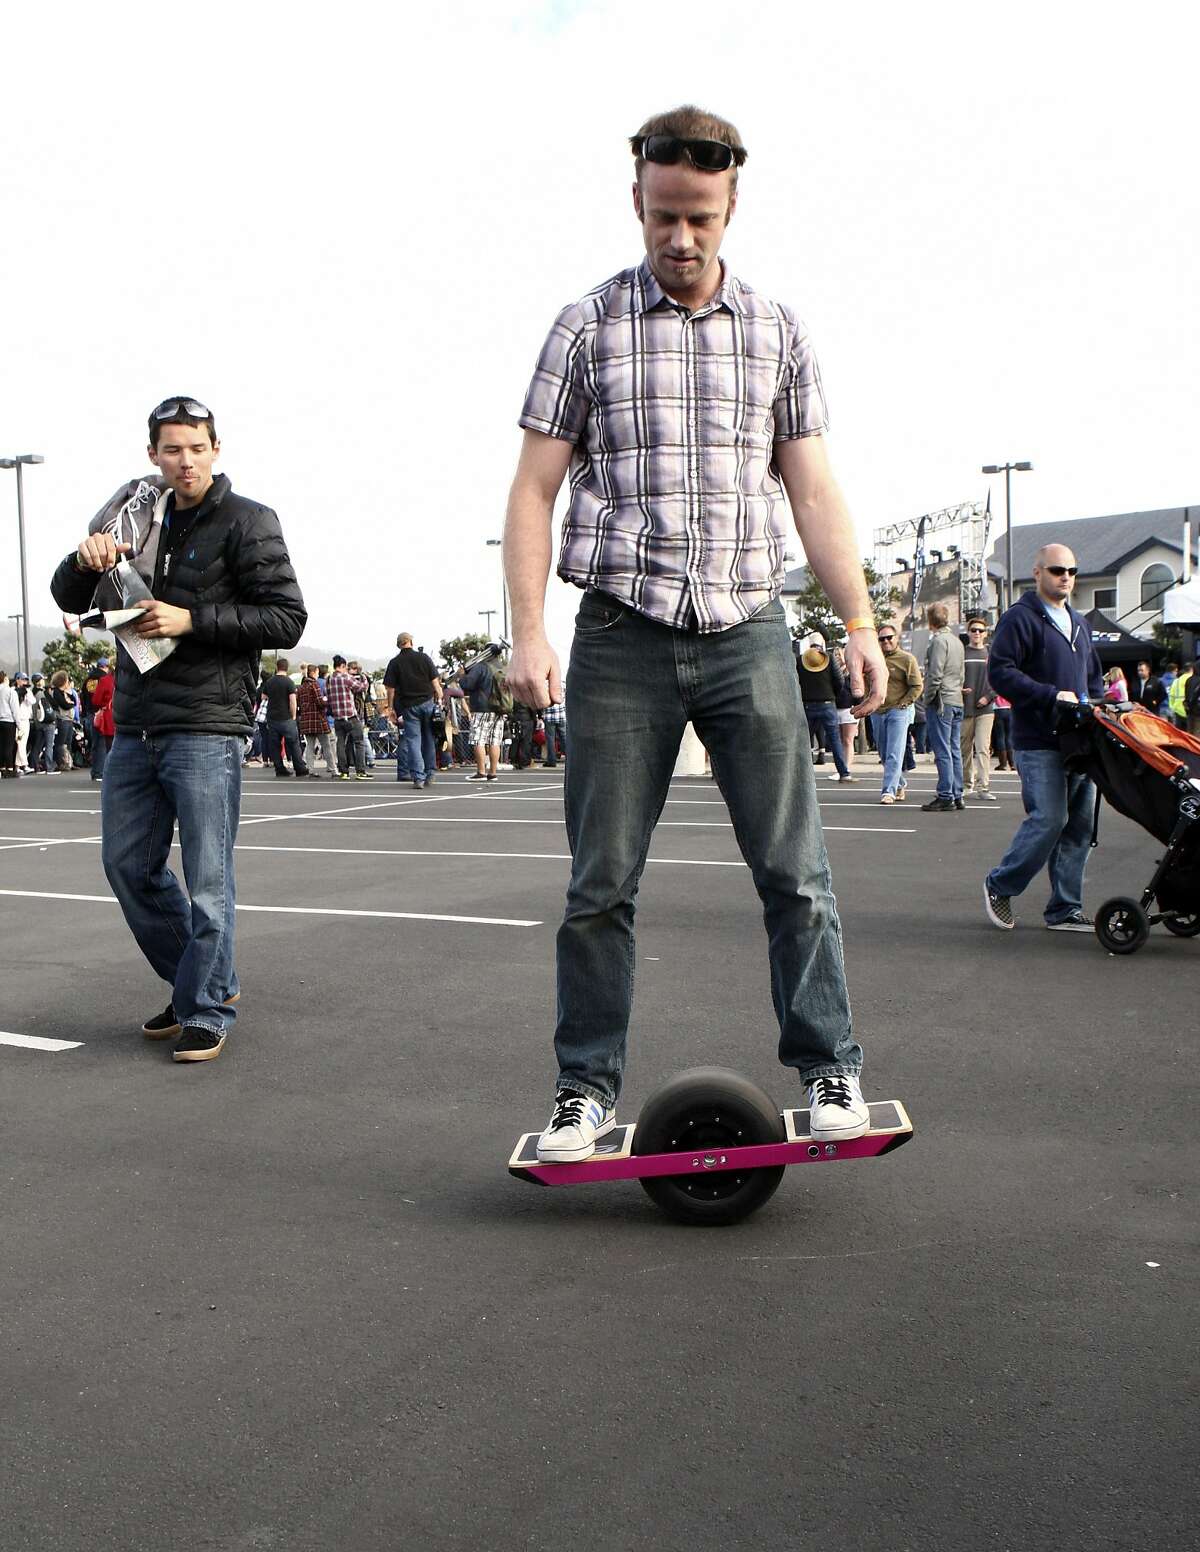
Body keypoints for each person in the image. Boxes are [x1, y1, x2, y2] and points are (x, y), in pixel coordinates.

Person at [504, 104, 887, 1162]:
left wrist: (855, 620)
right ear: (636, 199)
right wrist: (527, 628)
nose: (681, 239)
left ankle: (831, 1067)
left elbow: (811, 489)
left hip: (748, 631)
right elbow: (534, 490)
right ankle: (584, 1090)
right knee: (600, 884)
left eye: (701, 220)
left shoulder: (776, 330)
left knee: (794, 870)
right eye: (664, 216)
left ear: (731, 207)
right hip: (622, 635)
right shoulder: (586, 327)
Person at [50, 394, 306, 1061]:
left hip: (205, 724)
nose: (184, 461)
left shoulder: (248, 522)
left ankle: (206, 1007)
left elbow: (285, 619)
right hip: (134, 722)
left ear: (215, 450)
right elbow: (69, 598)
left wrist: (192, 619)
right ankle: (204, 981)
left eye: (196, 448)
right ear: (153, 455)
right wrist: (84, 561)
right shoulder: (133, 518)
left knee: (208, 876)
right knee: (128, 866)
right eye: (172, 449)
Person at [983, 543, 1103, 933]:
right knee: (1050, 819)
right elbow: (1000, 672)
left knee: (1079, 827)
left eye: (1071, 570)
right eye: (1056, 569)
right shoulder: (1020, 619)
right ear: (1037, 573)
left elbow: (1092, 679)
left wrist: (1096, 704)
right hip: (1038, 739)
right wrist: (1051, 695)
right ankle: (1000, 884)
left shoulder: (1080, 623)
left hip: (1080, 739)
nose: (1065, 576)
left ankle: (1064, 909)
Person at [920, 603, 965, 811]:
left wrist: (927, 697)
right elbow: (961, 674)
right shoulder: (957, 642)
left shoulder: (938, 641)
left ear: (931, 621)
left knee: (942, 749)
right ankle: (957, 793)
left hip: (941, 700)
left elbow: (935, 674)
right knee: (954, 748)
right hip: (956, 699)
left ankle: (946, 793)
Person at [383, 633, 442, 789]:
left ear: (399, 644)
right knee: (429, 739)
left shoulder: (395, 662)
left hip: (409, 706)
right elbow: (435, 683)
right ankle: (430, 773)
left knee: (413, 741)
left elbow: (390, 689)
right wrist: (440, 699)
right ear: (411, 642)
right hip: (428, 703)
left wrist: (391, 707)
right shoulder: (424, 658)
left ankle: (418, 777)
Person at [871, 624, 922, 803]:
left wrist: (904, 703)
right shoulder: (874, 659)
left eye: (889, 637)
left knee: (894, 752)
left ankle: (889, 791)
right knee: (884, 753)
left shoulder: (907, 659)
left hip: (898, 711)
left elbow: (917, 685)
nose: (886, 641)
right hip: (877, 711)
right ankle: (899, 783)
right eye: (882, 638)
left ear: (897, 638)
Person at [796, 629, 853, 781]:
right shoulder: (828, 659)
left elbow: (796, 682)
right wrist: (832, 694)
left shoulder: (800, 660)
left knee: (804, 742)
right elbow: (839, 680)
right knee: (835, 741)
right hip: (827, 703)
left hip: (807, 704)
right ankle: (844, 773)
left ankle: (803, 775)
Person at [960, 617, 997, 802]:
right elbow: (954, 676)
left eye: (980, 630)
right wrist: (959, 689)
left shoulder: (991, 654)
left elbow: (1000, 679)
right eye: (974, 630)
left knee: (982, 748)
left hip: (986, 709)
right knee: (964, 749)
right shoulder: (962, 653)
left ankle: (984, 786)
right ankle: (967, 784)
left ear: (986, 633)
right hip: (965, 708)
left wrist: (988, 696)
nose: (977, 633)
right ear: (968, 632)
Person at [459, 653, 504, 783]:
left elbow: (467, 684)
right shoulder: (502, 667)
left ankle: (481, 772)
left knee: (479, 740)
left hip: (482, 708)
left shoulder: (481, 667)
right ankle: (493, 773)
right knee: (495, 741)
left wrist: (462, 675)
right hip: (499, 709)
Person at [262, 658, 309, 777]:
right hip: (286, 717)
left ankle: (280, 769)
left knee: (275, 745)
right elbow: (293, 701)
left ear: (277, 667)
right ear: (286, 668)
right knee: (293, 743)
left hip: (272, 717)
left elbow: (263, 696)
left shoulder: (270, 682)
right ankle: (300, 768)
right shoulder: (289, 682)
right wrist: (293, 715)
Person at [328, 654, 371, 780]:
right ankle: (360, 771)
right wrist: (364, 679)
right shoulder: (345, 677)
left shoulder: (330, 679)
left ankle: (344, 772)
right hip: (350, 716)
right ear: (342, 666)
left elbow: (329, 697)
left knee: (340, 743)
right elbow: (361, 687)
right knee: (359, 742)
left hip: (337, 718)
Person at [297, 664, 337, 779]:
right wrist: (326, 701)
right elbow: (320, 702)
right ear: (314, 672)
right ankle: (333, 769)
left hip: (306, 720)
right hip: (317, 720)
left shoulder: (301, 687)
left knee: (310, 746)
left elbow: (299, 703)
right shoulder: (314, 685)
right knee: (326, 745)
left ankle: (310, 769)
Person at [89, 661, 115, 780]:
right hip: (126, 718)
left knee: (103, 746)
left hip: (108, 717)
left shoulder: (104, 680)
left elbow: (96, 700)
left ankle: (100, 772)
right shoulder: (129, 679)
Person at [48, 671, 77, 771]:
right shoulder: (56, 692)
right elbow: (64, 704)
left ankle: (69, 762)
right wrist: (70, 703)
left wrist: (69, 695)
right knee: (61, 743)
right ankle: (61, 762)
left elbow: (74, 701)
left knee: (69, 742)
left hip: (69, 719)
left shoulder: (66, 692)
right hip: (63, 719)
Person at [0, 670, 18, 778]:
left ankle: (1, 768)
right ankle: (10, 769)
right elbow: (15, 709)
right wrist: (19, 724)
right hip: (8, 721)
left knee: (1, 745)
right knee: (9, 746)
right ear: (5, 679)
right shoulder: (10, 691)